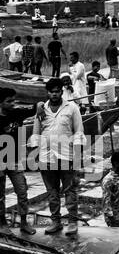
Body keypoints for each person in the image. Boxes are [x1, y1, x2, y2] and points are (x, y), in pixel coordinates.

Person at [29, 78, 83, 236]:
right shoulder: (41, 110)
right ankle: (56, 221)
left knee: (70, 191)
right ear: (47, 93)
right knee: (52, 192)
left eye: (57, 91)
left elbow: (79, 132)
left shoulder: (72, 108)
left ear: (61, 91)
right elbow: (35, 134)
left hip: (67, 156)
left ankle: (72, 222)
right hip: (47, 157)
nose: (54, 94)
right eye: (51, 91)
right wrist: (34, 157)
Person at [0, 88, 36, 234]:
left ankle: (23, 222)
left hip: (14, 161)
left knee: (22, 191)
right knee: (0, 195)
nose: (13, 103)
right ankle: (2, 223)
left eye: (14, 100)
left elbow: (34, 108)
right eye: (9, 101)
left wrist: (39, 104)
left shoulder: (17, 113)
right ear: (0, 103)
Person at [100, 151, 119, 227]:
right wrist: (113, 222)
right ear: (116, 163)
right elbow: (106, 204)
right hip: (116, 220)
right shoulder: (109, 180)